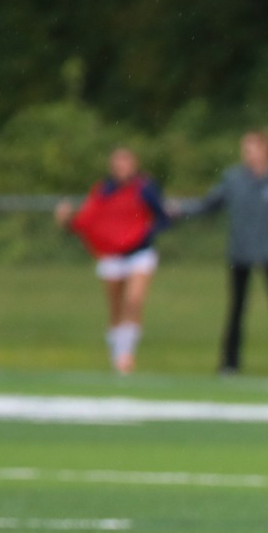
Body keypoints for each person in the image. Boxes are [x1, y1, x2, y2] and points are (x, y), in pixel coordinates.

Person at [183, 130, 268, 376]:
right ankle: (230, 363)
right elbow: (209, 205)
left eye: (253, 149)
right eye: (245, 149)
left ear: (266, 150)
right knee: (236, 308)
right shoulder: (232, 178)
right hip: (241, 251)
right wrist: (178, 211)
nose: (248, 154)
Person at [55, 147, 169, 375]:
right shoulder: (103, 191)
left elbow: (161, 217)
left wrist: (142, 234)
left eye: (125, 163)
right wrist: (67, 221)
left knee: (134, 300)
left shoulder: (144, 188)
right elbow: (87, 221)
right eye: (117, 163)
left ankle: (127, 355)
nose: (121, 168)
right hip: (112, 255)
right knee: (116, 307)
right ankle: (118, 353)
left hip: (139, 253)